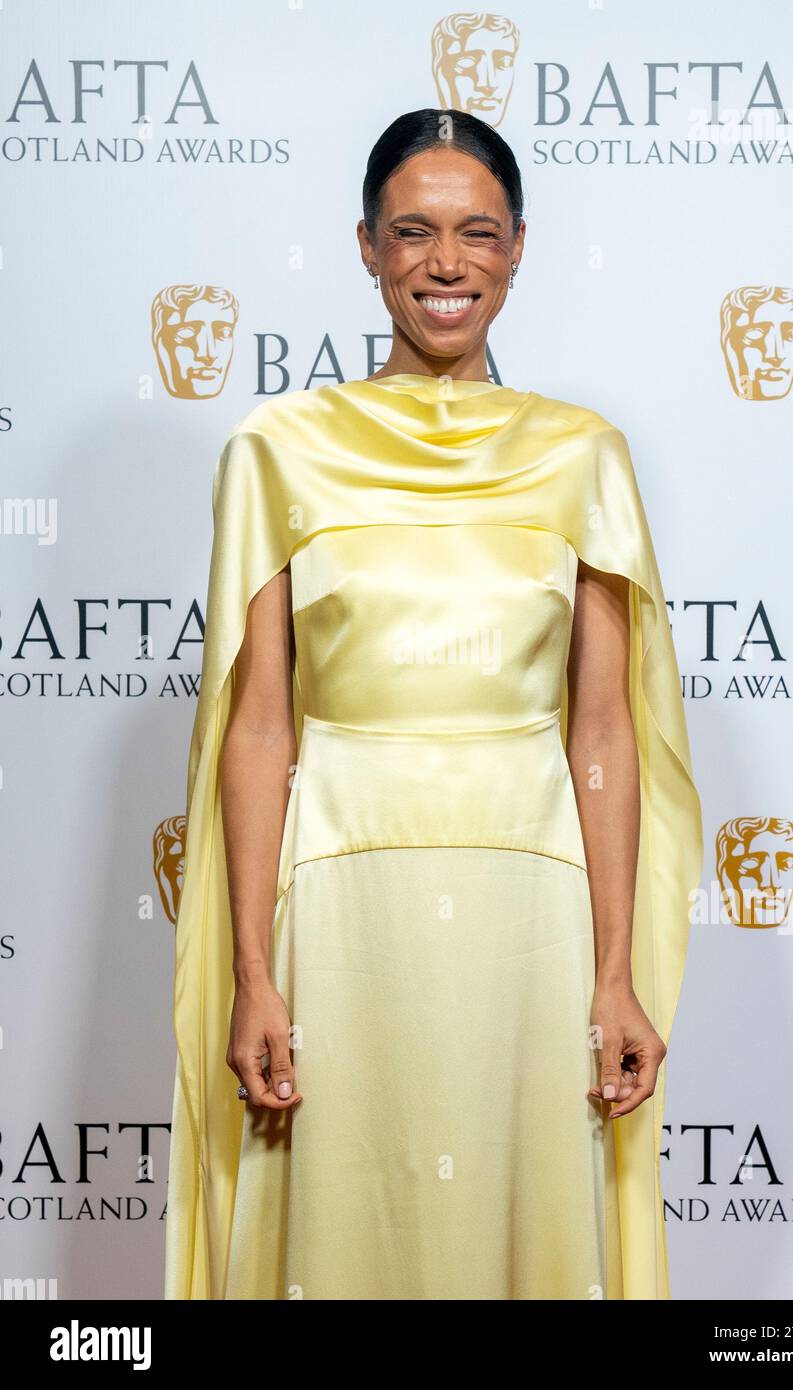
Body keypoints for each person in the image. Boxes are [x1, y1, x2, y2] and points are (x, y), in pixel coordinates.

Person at [164, 108, 703, 1301]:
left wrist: (616, 974)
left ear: (519, 248)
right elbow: (261, 727)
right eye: (413, 232)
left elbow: (602, 734)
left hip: (533, 912)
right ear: (365, 246)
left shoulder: (582, 455)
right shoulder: (281, 448)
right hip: (342, 901)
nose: (445, 264)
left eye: (477, 234)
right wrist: (255, 970)